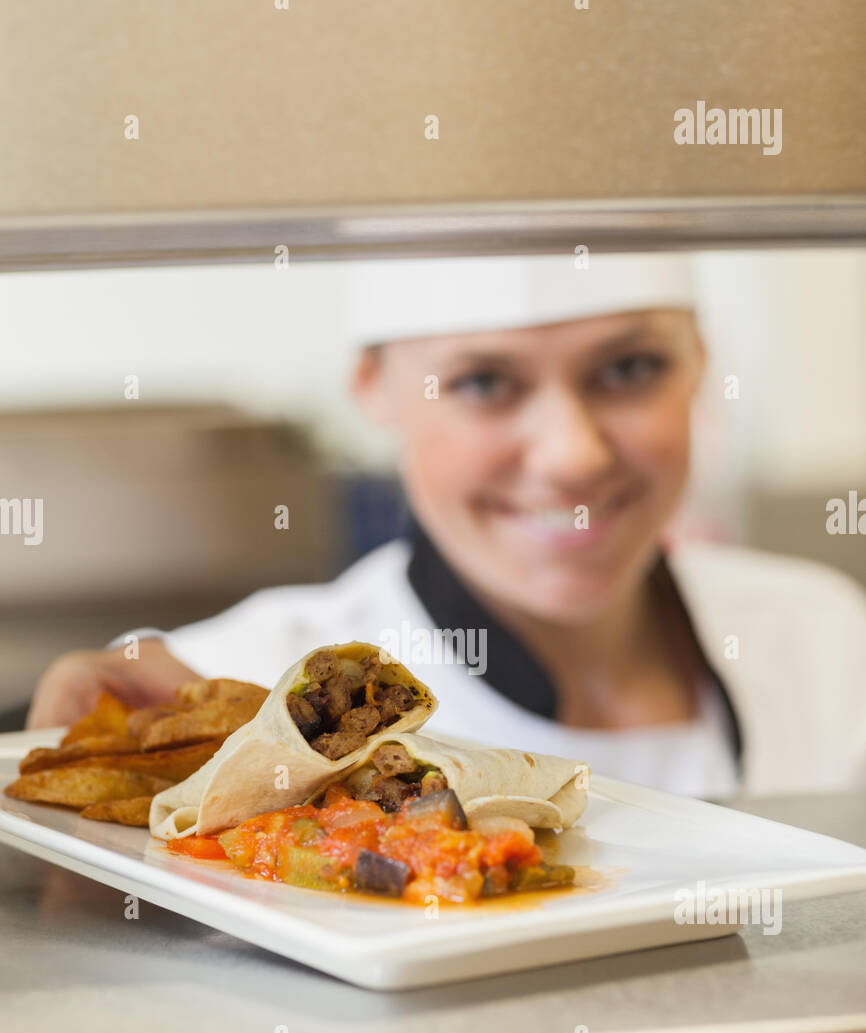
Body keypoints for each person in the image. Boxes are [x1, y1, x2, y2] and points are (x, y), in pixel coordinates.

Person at [27, 253, 866, 798]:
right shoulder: (240, 690)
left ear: (700, 366)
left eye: (630, 368)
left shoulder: (826, 636)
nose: (572, 456)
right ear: (374, 389)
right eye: (482, 383)